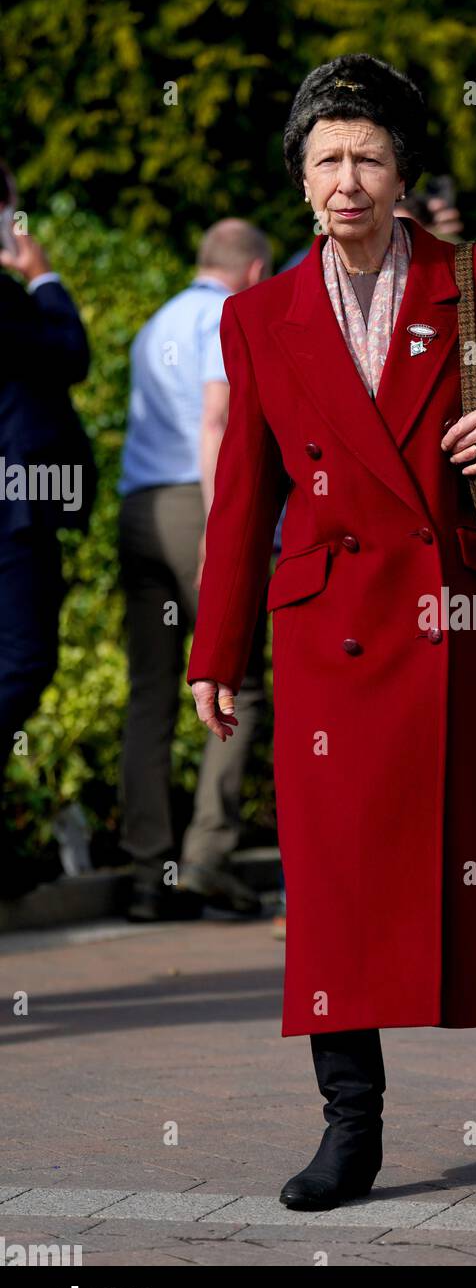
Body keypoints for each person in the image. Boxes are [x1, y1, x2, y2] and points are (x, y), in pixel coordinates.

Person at [186, 53, 476, 1211]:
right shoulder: (257, 316)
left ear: (403, 169)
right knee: (335, 883)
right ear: (300, 177)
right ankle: (350, 1123)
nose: (347, 178)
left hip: (458, 616)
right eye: (325, 158)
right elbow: (241, 500)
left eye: (367, 154)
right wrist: (212, 653)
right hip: (332, 633)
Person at [117, 219, 275, 920]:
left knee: (150, 691)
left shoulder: (157, 322)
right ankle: (206, 859)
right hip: (197, 504)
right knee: (237, 681)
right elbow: (217, 421)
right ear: (254, 271)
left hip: (140, 510)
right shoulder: (226, 314)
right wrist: (225, 528)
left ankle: (149, 872)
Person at [0, 163, 96, 895]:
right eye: (13, 212)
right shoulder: (10, 295)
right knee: (24, 662)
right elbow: (68, 354)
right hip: (16, 508)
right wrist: (44, 277)